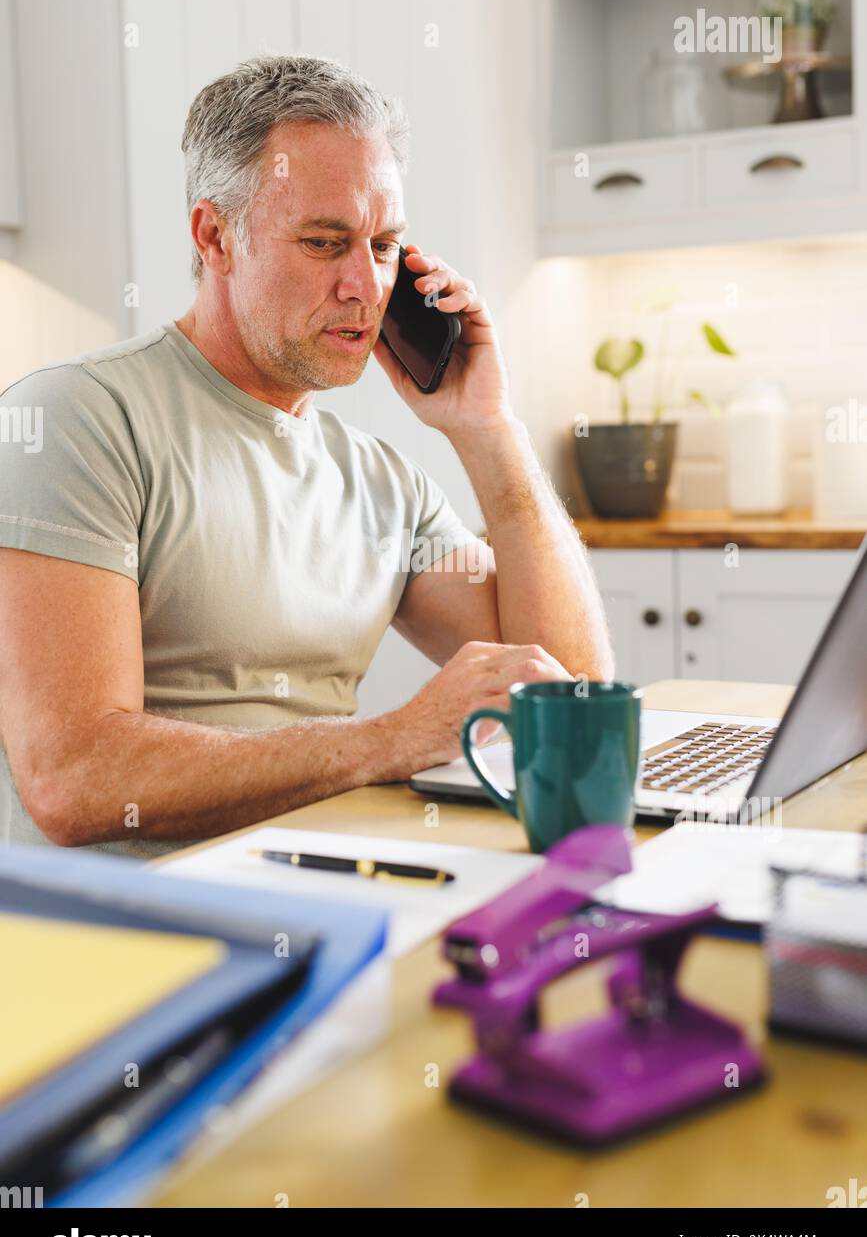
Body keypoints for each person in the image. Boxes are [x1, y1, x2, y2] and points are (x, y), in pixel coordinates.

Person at [0, 55, 612, 856]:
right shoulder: (77, 420)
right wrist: (388, 741)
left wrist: (487, 430)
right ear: (215, 236)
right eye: (326, 243)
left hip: (319, 883)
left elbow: (567, 693)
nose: (366, 285)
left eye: (385, 245)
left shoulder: (381, 481)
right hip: (133, 932)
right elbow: (72, 779)